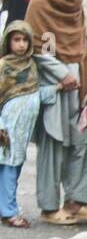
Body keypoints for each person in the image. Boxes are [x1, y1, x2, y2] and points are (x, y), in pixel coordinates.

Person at [25, 0, 87, 224]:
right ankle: (48, 208)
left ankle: (75, 202)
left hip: (78, 81)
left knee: (82, 141)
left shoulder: (75, 4)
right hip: (54, 84)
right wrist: (62, 74)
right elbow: (40, 49)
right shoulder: (42, 3)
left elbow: (81, 44)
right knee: (54, 143)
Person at [0, 21, 60, 228]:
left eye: (25, 40)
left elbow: (34, 93)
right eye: (16, 40)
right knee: (8, 166)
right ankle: (9, 212)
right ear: (8, 42)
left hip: (22, 129)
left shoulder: (31, 65)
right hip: (7, 127)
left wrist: (58, 87)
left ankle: (7, 208)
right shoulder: (3, 67)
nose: (21, 45)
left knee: (13, 167)